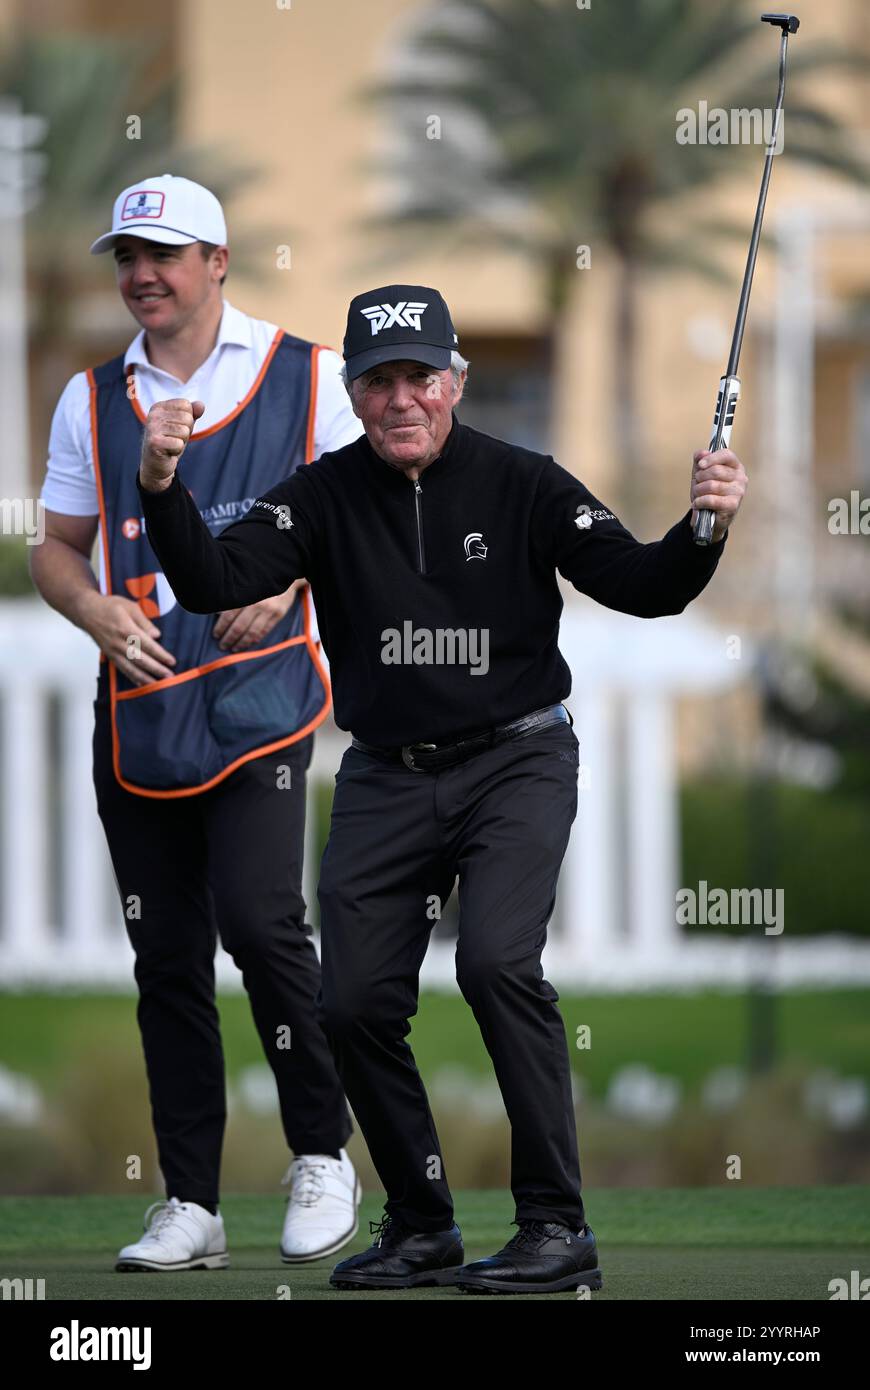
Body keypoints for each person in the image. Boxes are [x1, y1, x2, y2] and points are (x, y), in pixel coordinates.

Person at [133, 281, 747, 1294]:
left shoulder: (526, 483)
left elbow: (646, 585)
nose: (401, 398)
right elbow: (209, 579)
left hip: (518, 758)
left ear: (456, 381)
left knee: (499, 965)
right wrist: (162, 483)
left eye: (421, 375)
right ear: (354, 391)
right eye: (379, 380)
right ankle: (422, 1223)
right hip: (386, 776)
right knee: (352, 1001)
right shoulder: (320, 498)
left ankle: (557, 1227)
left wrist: (704, 527)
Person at [29, 174, 365, 1272]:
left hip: (260, 699)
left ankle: (322, 1152)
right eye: (127, 257)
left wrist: (300, 573)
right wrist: (91, 607)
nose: (141, 276)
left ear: (218, 261)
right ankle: (191, 1203)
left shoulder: (309, 374)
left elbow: (366, 509)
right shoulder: (90, 398)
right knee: (165, 954)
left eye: (164, 255)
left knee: (265, 926)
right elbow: (56, 546)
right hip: (139, 706)